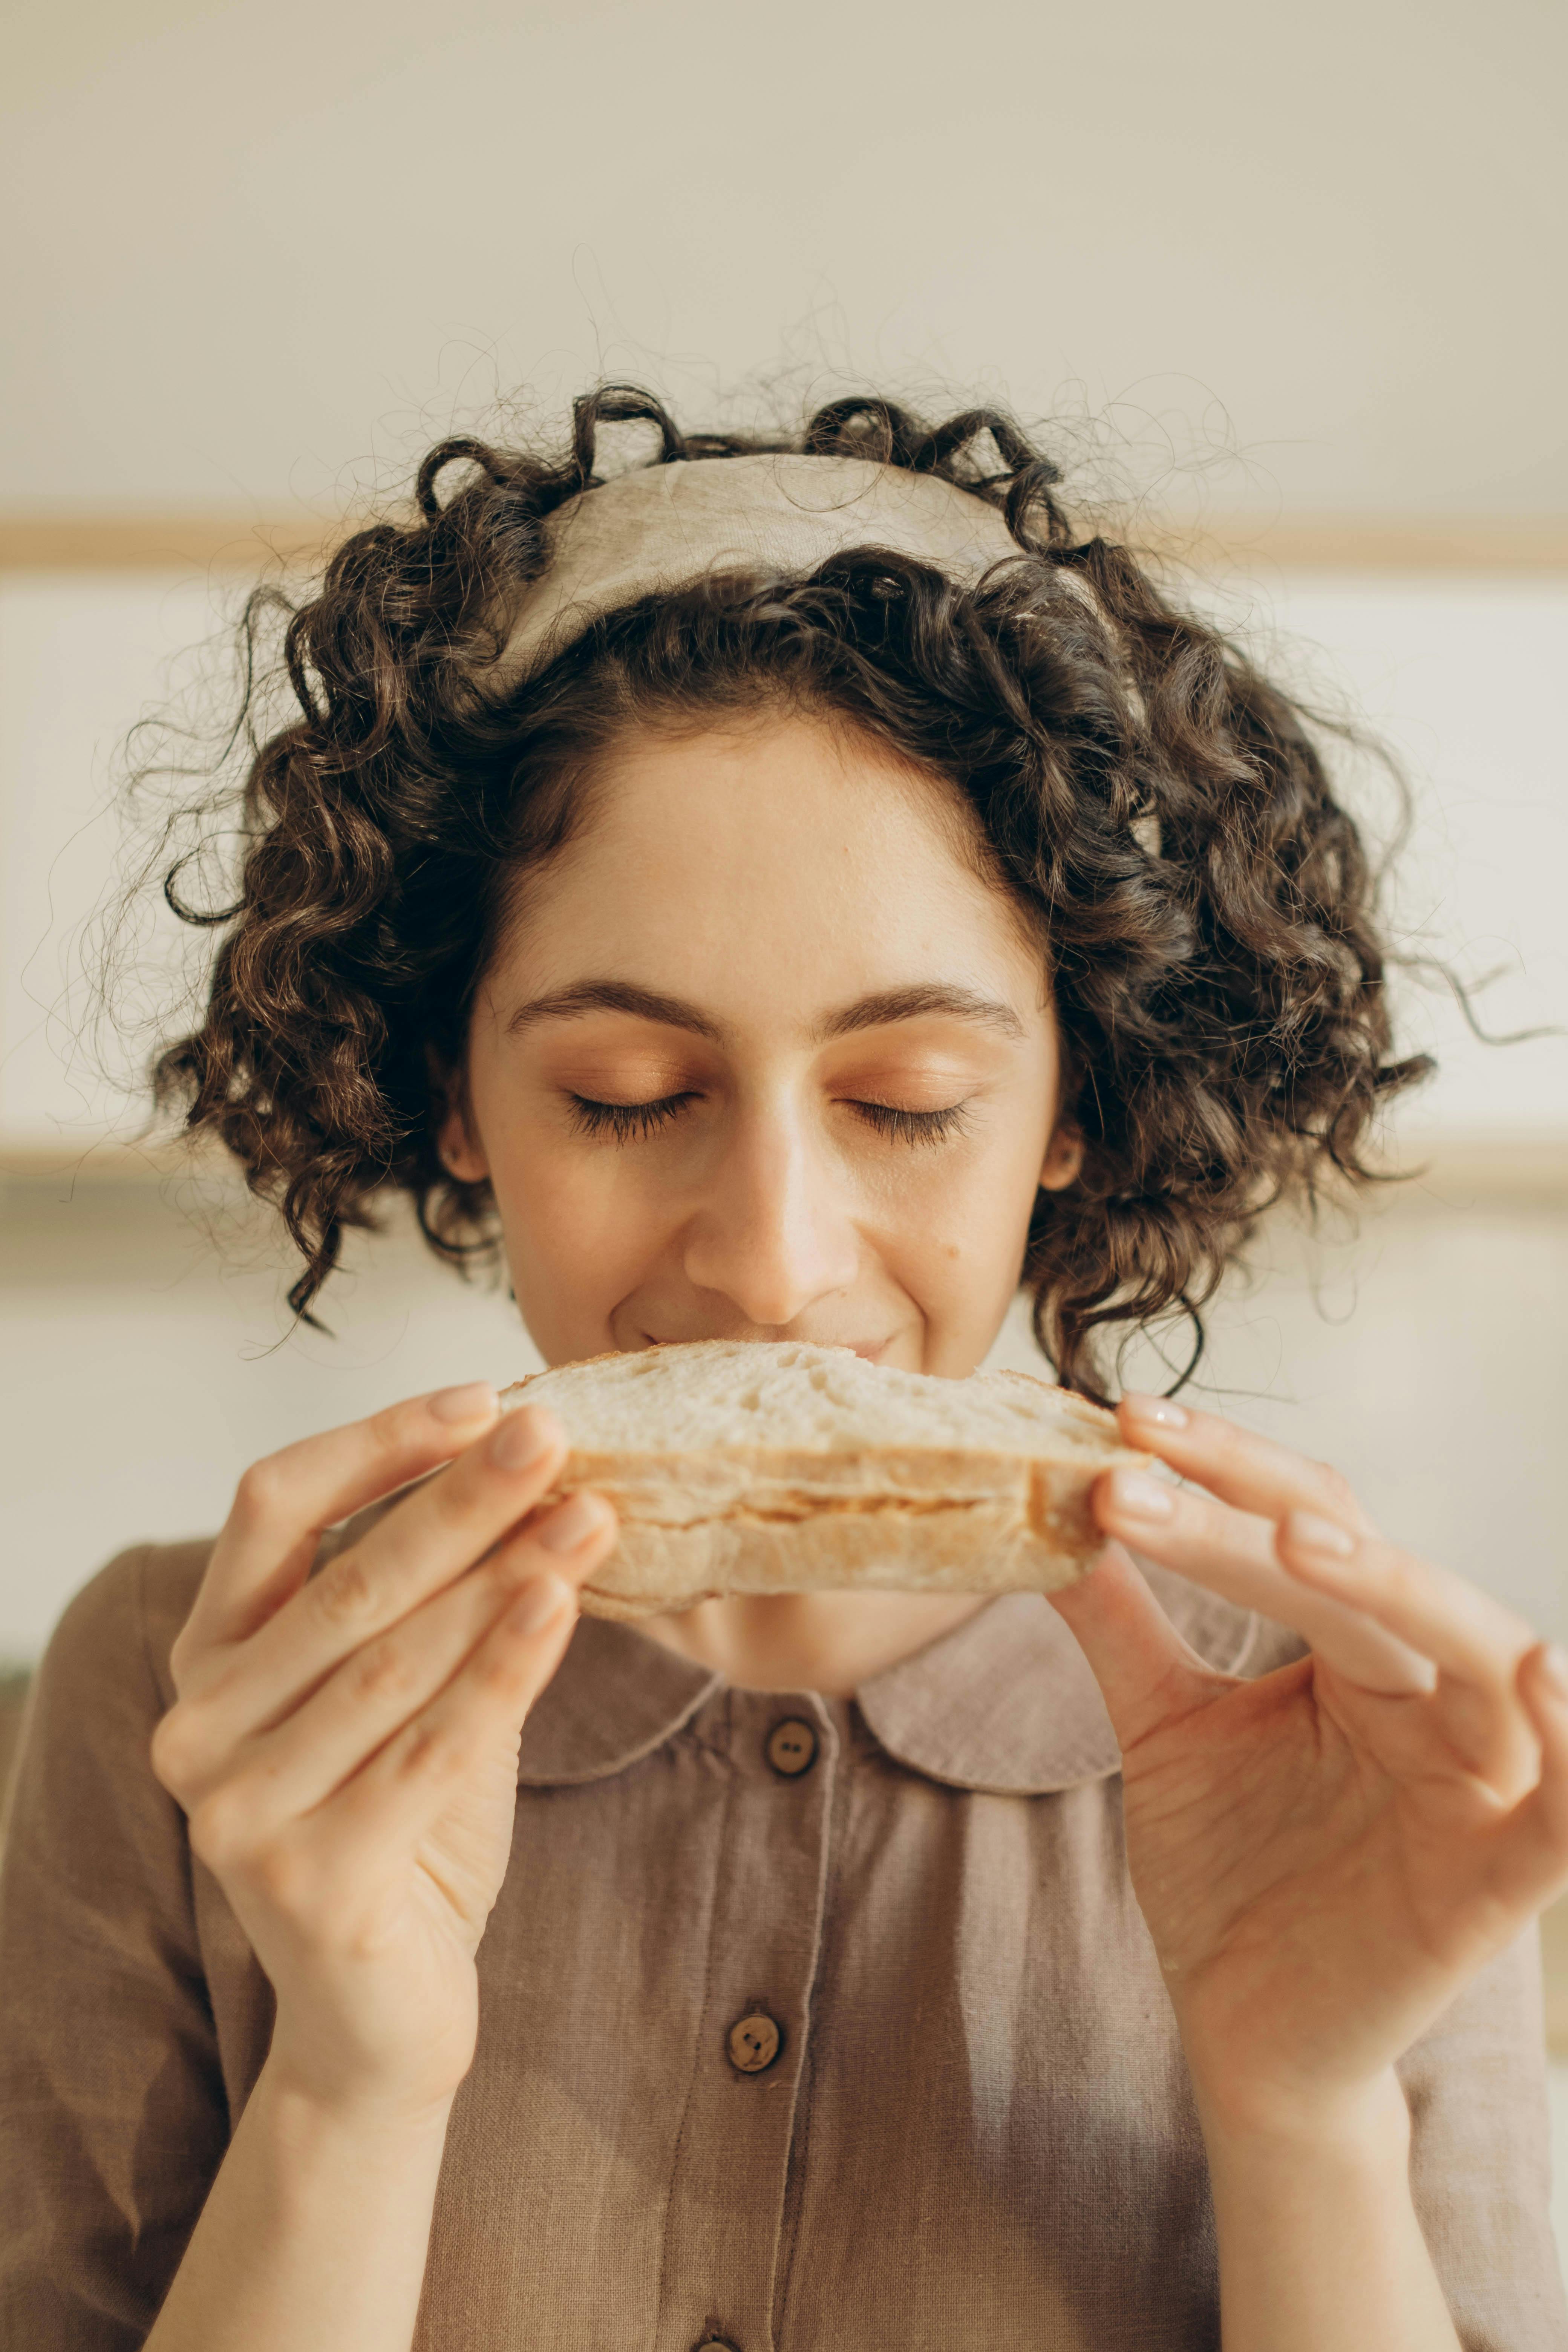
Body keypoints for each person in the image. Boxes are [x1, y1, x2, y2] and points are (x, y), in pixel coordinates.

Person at [2, 385, 1565, 2352]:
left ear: (1076, 1102)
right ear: (458, 1090)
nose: (771, 1259)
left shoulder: (1375, 1748)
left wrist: (1306, 2110)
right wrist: (347, 2084)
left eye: (908, 1101)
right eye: (625, 1090)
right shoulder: (183, 1702)